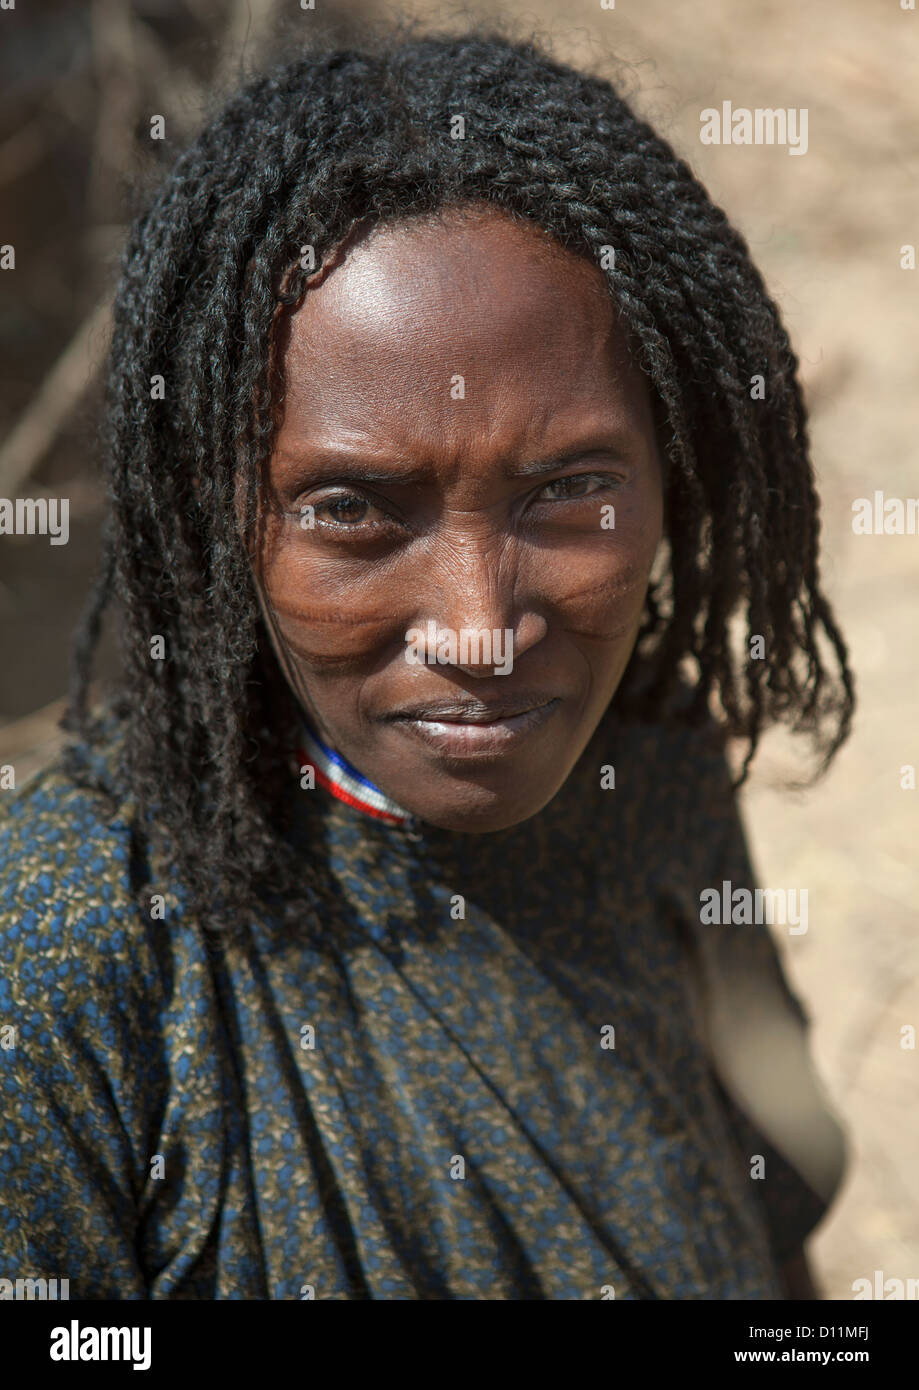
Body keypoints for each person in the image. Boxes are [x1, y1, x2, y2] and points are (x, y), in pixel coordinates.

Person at [0, 27, 853, 1300]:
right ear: (216, 514)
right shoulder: (69, 955)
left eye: (569, 490)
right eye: (352, 507)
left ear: (674, 473)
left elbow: (779, 1261)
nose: (479, 628)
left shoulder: (652, 780)